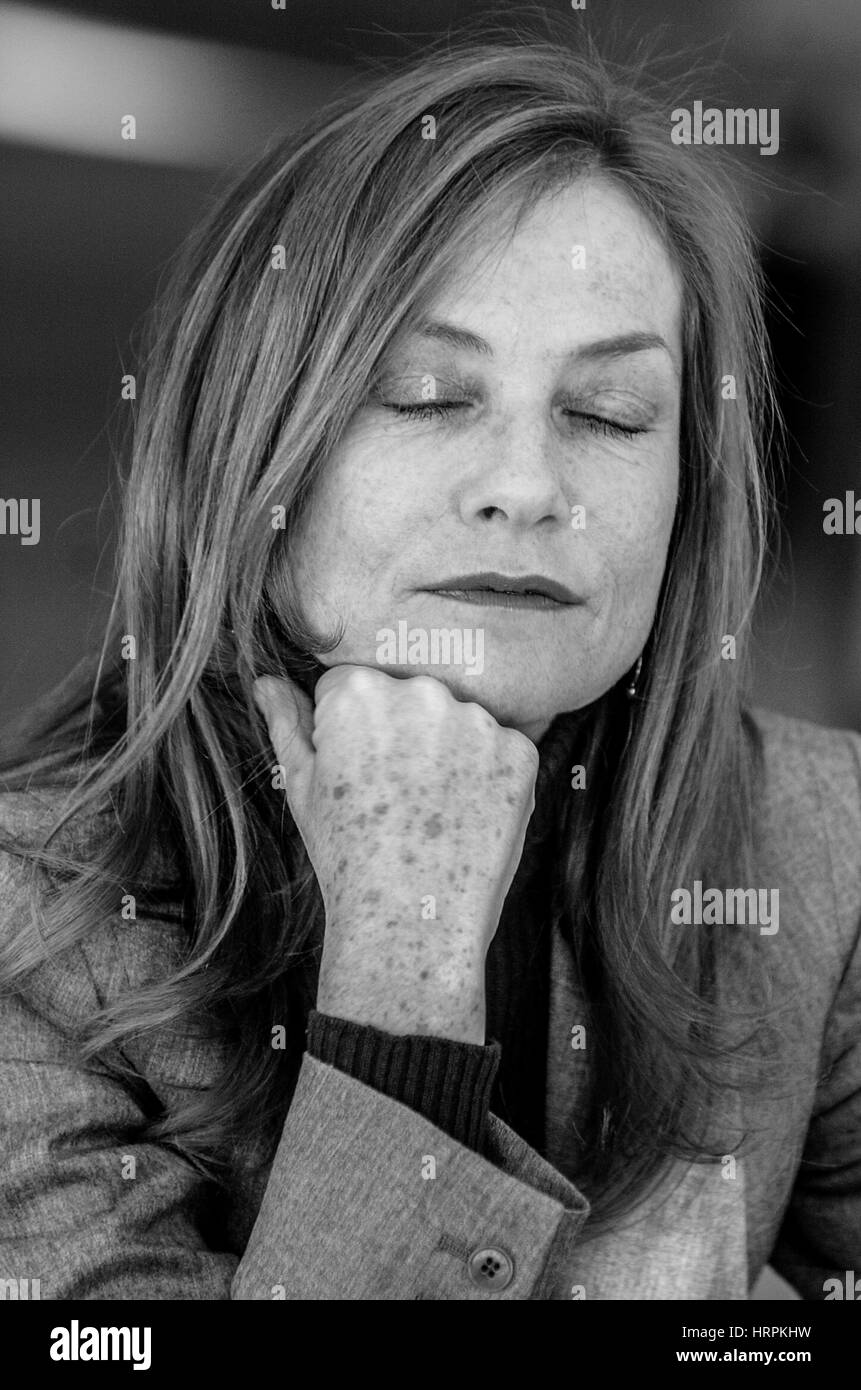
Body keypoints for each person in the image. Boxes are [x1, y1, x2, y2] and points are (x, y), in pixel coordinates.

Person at [1, 32, 859, 1301]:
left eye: (609, 415)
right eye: (423, 394)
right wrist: (403, 976)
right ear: (249, 453)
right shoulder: (31, 927)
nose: (525, 487)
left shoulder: (825, 846)